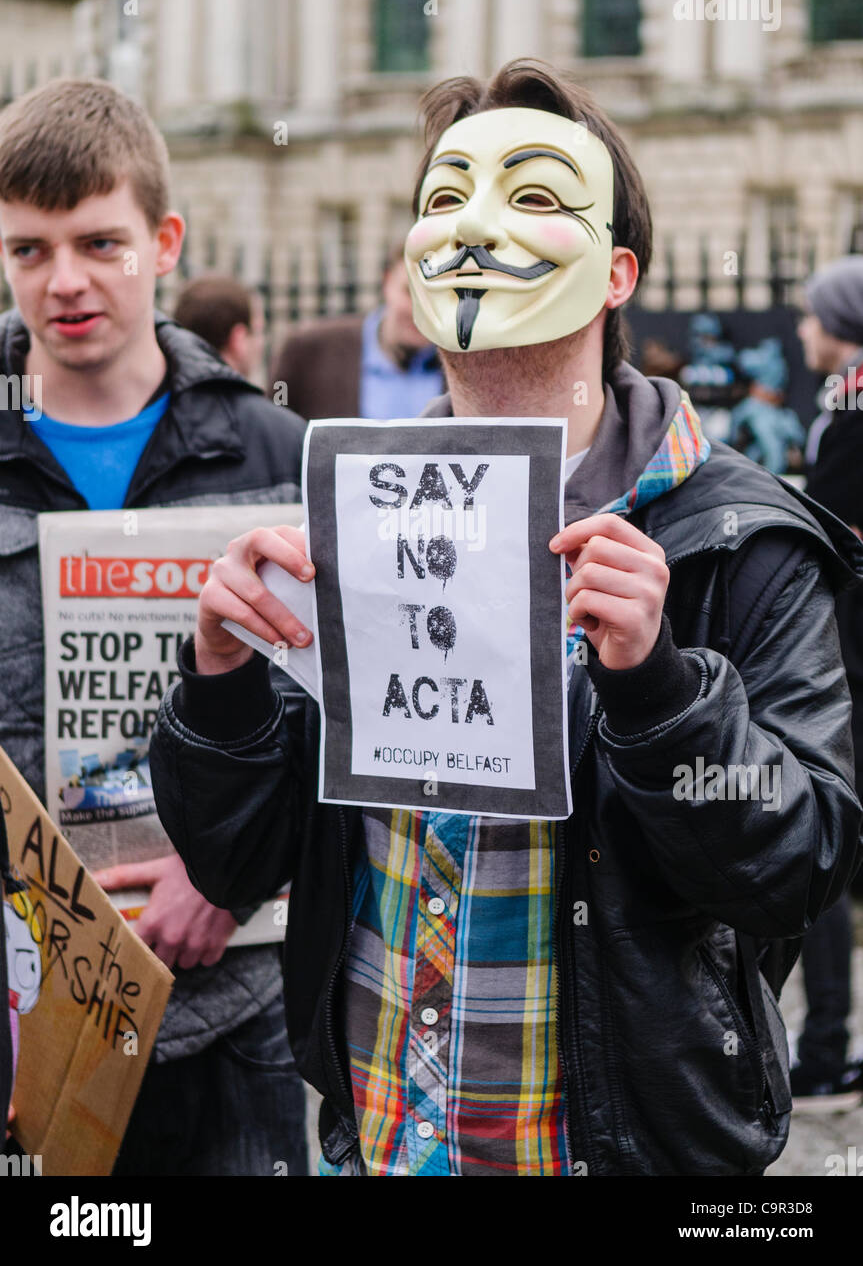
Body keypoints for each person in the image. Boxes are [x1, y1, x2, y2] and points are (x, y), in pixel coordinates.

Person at [151, 59, 863, 1176]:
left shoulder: (738, 541)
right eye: (442, 200)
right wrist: (223, 682)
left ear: (617, 271)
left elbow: (801, 862)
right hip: (381, 1146)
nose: (473, 229)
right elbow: (235, 858)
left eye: (532, 198)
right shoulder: (347, 517)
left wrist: (659, 693)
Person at [0, 77, 308, 1176]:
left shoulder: (272, 450)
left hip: (236, 1008)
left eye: (99, 241)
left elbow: (333, 724)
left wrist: (224, 877)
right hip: (25, 1018)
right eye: (29, 250)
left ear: (164, 240)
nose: (65, 281)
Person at [791, 255, 863, 1111]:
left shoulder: (849, 405)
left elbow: (834, 539)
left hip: (846, 662)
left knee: (819, 852)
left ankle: (823, 1051)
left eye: (811, 315)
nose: (801, 328)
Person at [270, 244, 444, 420]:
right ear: (387, 282)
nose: (420, 309)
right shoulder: (308, 348)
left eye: (436, 296)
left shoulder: (461, 365)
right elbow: (276, 412)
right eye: (410, 292)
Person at [174, 274, 266, 380]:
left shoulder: (161, 392)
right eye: (258, 331)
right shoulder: (247, 396)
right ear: (239, 338)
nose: (261, 342)